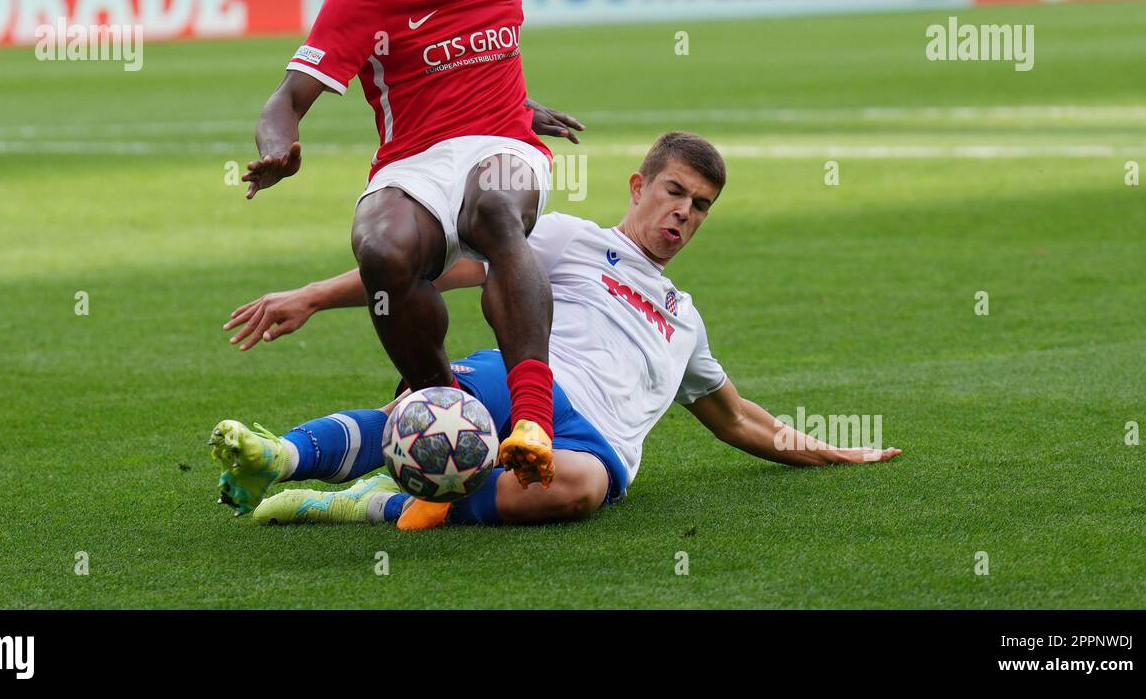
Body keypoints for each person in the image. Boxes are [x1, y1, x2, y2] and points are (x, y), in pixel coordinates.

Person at [213, 132, 900, 530]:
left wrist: (832, 453)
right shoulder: (571, 240)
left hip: (594, 445)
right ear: (639, 186)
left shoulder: (686, 319)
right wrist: (310, 295)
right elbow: (435, 269)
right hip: (530, 384)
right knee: (442, 407)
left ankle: (368, 503)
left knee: (580, 491)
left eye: (700, 206)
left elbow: (738, 420)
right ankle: (281, 458)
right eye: (675, 192)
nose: (684, 214)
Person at [239, 0, 582, 488]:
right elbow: (286, 98)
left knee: (494, 213)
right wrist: (274, 149)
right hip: (414, 159)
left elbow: (484, 54)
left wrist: (522, 108)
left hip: (501, 145)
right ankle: (445, 405)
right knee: (382, 249)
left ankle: (532, 417)